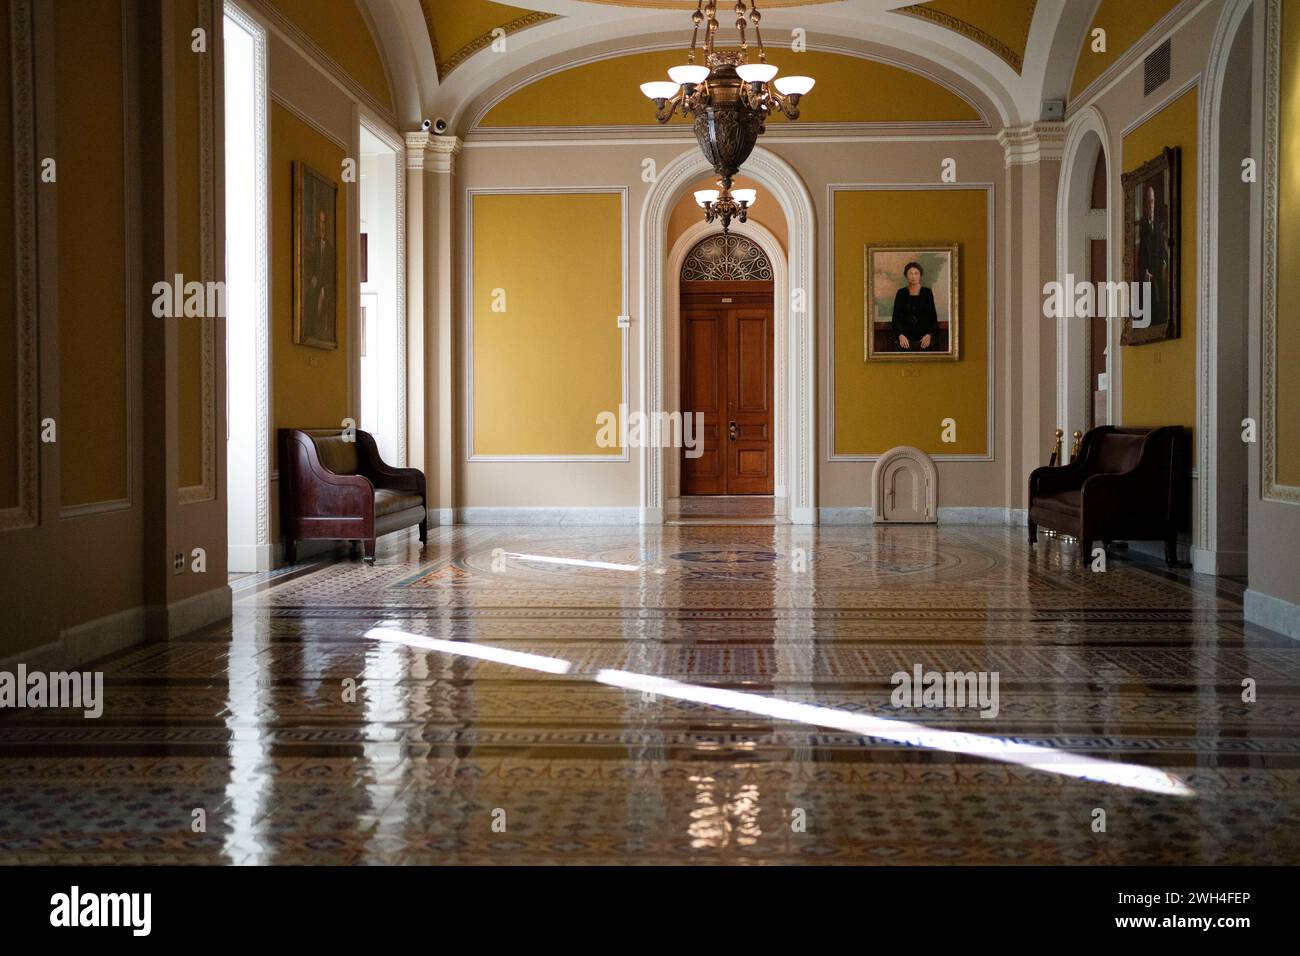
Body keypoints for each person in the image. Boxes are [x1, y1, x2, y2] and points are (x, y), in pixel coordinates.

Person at [1136, 183, 1167, 328]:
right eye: (1148, 202)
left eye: (1152, 201)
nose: (1151, 205)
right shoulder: (1142, 227)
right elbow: (1141, 255)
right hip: (1148, 273)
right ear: (1145, 205)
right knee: (1151, 301)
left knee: (1161, 300)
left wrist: (1165, 264)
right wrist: (1144, 272)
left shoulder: (1159, 226)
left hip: (1159, 271)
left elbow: (1163, 250)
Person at [891, 261, 937, 350]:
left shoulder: (927, 292)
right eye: (910, 273)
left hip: (924, 338)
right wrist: (900, 335)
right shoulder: (901, 293)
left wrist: (929, 334)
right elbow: (896, 318)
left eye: (916, 273)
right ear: (906, 275)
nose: (913, 276)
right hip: (905, 338)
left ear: (920, 275)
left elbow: (933, 317)